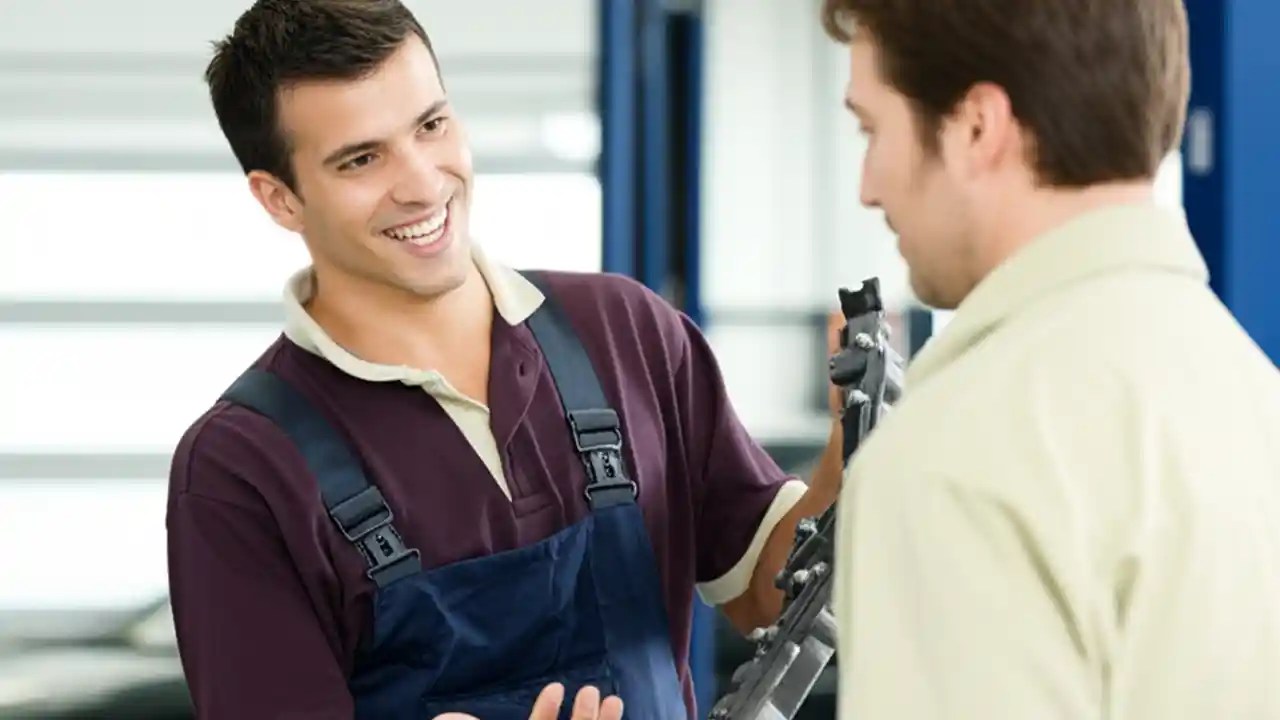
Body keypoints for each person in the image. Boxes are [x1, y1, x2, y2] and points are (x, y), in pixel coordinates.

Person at [164, 1, 845, 718]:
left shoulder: (627, 332)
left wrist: (850, 457)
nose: (422, 183)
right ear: (279, 199)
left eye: (431, 125)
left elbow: (768, 595)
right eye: (362, 159)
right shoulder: (240, 471)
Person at [819, 1, 1280, 718]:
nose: (866, 186)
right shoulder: (1253, 397)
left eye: (871, 129)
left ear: (977, 128)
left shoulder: (955, 458)